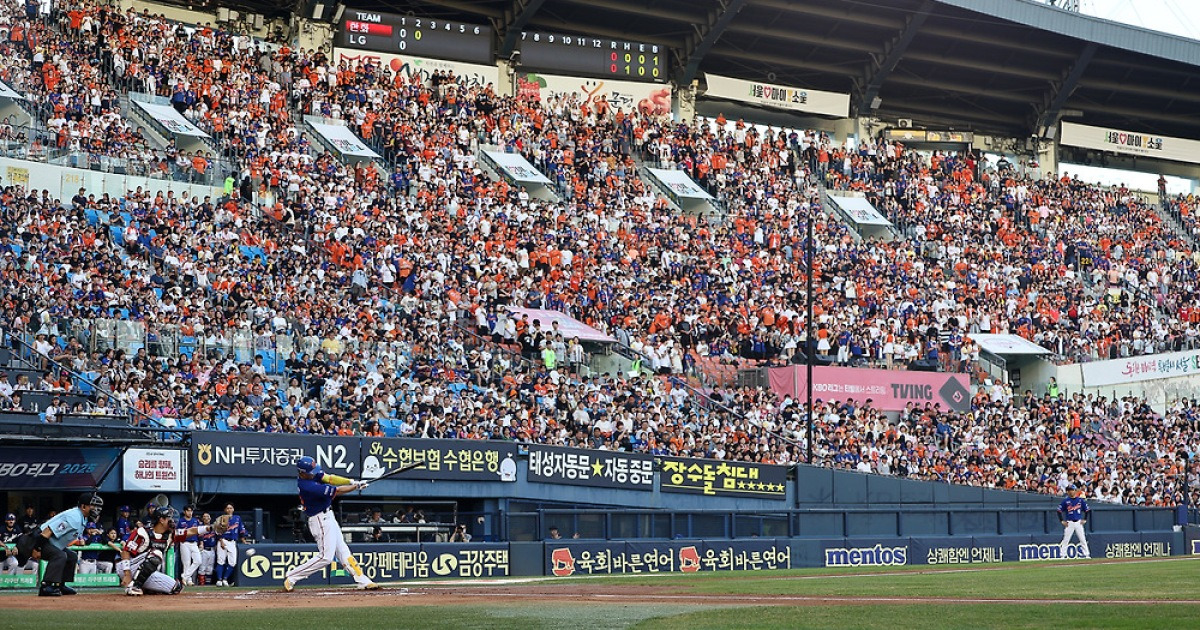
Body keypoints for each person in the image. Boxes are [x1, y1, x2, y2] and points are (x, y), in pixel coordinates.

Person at [283, 456, 378, 591]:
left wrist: (352, 481)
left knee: (343, 550)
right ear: (302, 473)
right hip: (319, 520)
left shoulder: (311, 475)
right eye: (312, 472)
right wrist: (356, 487)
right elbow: (337, 490)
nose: (315, 473)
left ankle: (362, 580)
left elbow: (330, 478)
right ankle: (292, 576)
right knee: (326, 557)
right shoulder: (307, 486)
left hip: (329, 516)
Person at [120, 506, 227, 596]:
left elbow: (190, 531)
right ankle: (135, 587)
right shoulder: (142, 532)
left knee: (176, 587)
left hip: (146, 571)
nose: (172, 520)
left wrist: (211, 528)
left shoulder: (170, 534)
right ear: (161, 520)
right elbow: (125, 551)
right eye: (168, 518)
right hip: (129, 567)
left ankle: (144, 586)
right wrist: (127, 573)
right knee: (156, 553)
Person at [17, 492, 104, 596]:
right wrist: (37, 549)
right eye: (92, 505)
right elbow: (47, 531)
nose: (95, 508)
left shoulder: (82, 517)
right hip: (38, 541)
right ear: (83, 506)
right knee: (60, 555)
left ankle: (60, 585)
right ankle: (46, 586)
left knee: (71, 556)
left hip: (51, 543)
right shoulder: (74, 517)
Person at [214, 503, 247, 586]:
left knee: (232, 562)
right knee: (221, 561)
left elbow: (241, 529)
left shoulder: (237, 518)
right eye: (227, 508)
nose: (229, 510)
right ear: (225, 510)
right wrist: (221, 541)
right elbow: (217, 531)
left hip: (232, 542)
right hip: (223, 540)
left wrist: (243, 540)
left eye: (231, 508)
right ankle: (219, 580)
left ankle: (225, 579)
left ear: (233, 509)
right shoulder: (221, 518)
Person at [1058, 483, 1092, 559]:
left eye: (1072, 490)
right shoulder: (1066, 501)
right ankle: (1062, 555)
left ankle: (1086, 554)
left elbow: (1087, 510)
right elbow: (1059, 510)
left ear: (1075, 491)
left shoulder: (1080, 500)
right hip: (1069, 522)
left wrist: (1085, 519)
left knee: (1082, 539)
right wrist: (1062, 521)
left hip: (1078, 522)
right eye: (1069, 490)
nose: (1071, 492)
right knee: (1066, 540)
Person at [175, 505, 202, 586]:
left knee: (198, 561)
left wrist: (201, 542)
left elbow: (199, 532)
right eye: (188, 511)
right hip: (184, 543)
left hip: (194, 543)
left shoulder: (195, 521)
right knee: (186, 563)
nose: (190, 513)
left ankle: (185, 576)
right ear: (184, 511)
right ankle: (188, 580)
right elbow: (177, 532)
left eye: (191, 511)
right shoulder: (180, 521)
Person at [198, 513, 217, 585]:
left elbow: (217, 537)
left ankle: (207, 585)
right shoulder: (200, 527)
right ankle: (201, 584)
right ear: (202, 519)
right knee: (202, 568)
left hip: (212, 549)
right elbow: (199, 537)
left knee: (210, 569)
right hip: (204, 549)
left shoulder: (214, 527)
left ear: (210, 518)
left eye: (207, 517)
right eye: (204, 517)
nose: (206, 518)